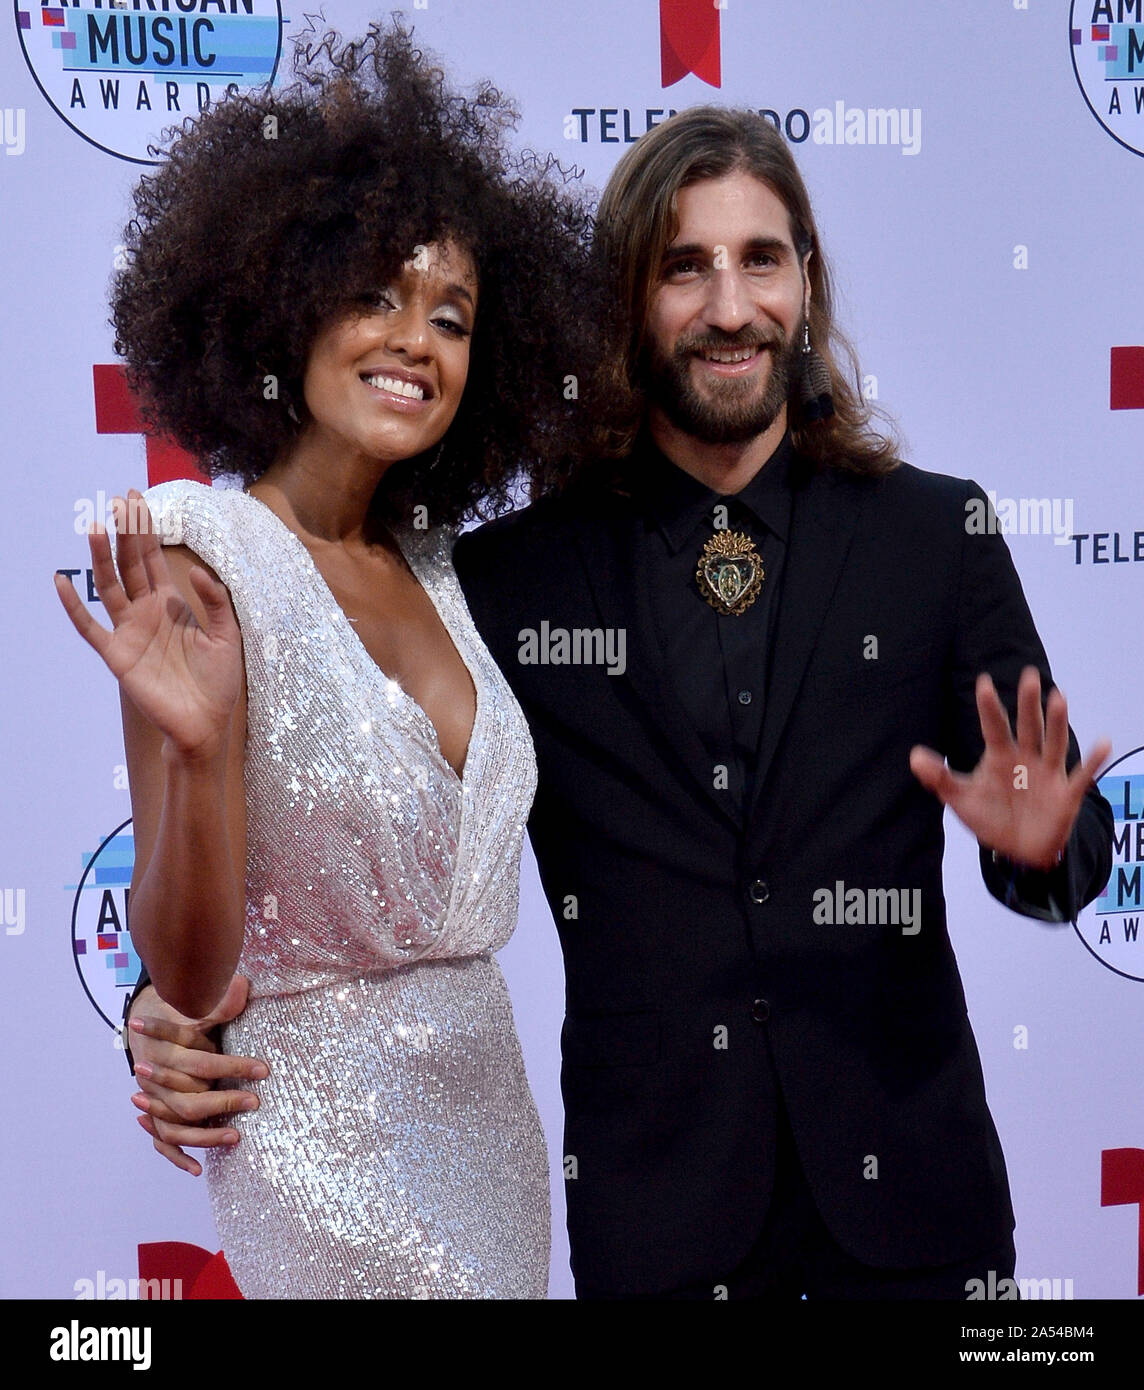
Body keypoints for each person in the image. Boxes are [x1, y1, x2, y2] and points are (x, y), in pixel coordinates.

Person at [125, 106, 1113, 1300]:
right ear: (626, 305)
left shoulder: (934, 534)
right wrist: (171, 1006)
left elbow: (1056, 829)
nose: (730, 306)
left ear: (807, 282)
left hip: (921, 1212)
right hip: (662, 1227)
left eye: (762, 258)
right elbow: (344, 791)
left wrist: (1052, 846)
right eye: (681, 268)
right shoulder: (501, 582)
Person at [59, 23, 600, 1299]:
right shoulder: (205, 554)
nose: (417, 338)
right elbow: (190, 975)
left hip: (493, 1133)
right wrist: (192, 751)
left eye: (452, 315)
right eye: (374, 295)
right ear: (282, 305)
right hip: (322, 1163)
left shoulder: (444, 565)